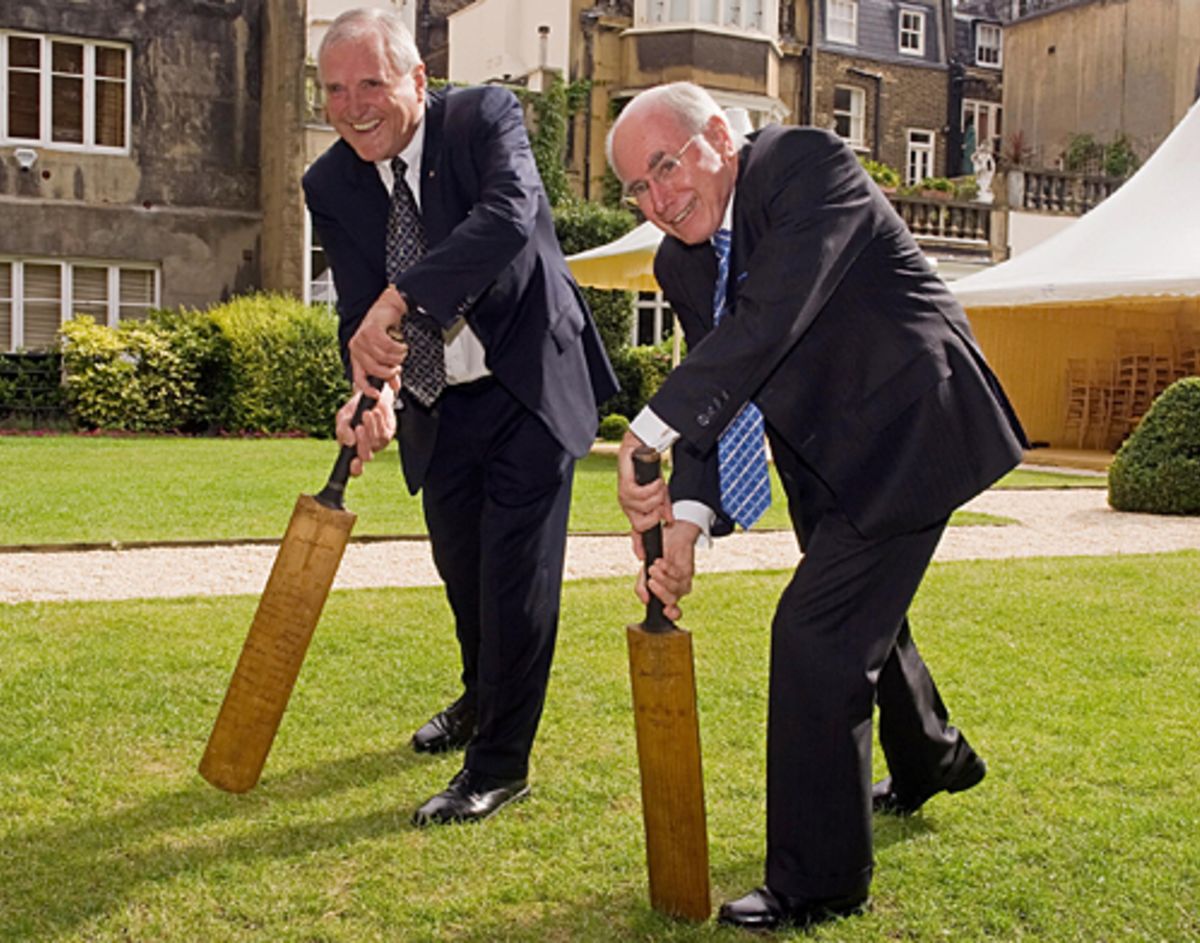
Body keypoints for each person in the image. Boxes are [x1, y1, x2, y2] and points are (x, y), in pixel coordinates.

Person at [607, 83, 1027, 931]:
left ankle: (821, 881)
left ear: (718, 137)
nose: (658, 201)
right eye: (636, 190)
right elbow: (726, 378)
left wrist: (643, 432)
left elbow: (769, 317)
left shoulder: (805, 166)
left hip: (916, 428)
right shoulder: (680, 260)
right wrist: (685, 519)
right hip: (829, 459)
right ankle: (931, 760)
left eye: (665, 168)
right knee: (872, 619)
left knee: (817, 633)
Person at [303, 8, 617, 826]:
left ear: (417, 80)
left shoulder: (484, 119)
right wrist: (366, 391)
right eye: (335, 89)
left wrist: (403, 300)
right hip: (441, 400)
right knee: (464, 572)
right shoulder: (329, 182)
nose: (353, 104)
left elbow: (508, 217)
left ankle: (500, 765)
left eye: (371, 83)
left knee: (514, 580)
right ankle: (483, 698)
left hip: (526, 384)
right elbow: (357, 305)